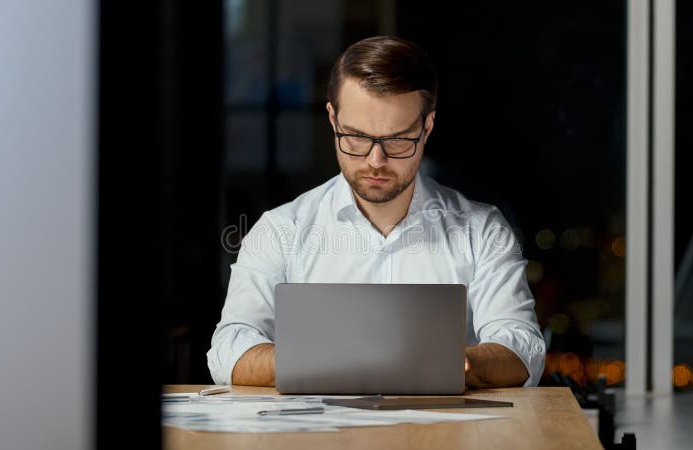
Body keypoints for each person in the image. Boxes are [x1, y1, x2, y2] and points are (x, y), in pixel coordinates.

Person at [207, 36, 546, 388]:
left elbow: (524, 351)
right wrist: (349, 359)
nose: (375, 161)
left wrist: (455, 361)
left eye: (398, 140)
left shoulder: (482, 230)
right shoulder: (280, 231)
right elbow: (229, 352)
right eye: (355, 137)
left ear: (427, 127)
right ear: (333, 119)